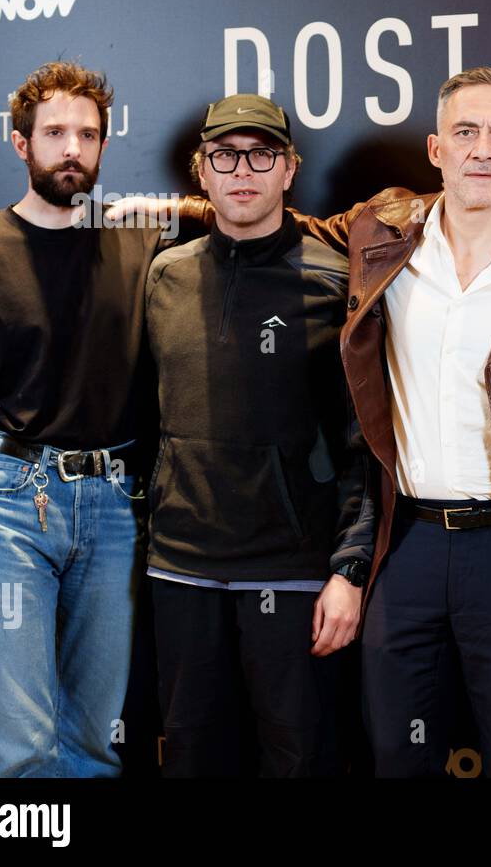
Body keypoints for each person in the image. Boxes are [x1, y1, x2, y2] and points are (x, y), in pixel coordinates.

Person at [159, 68, 491, 776]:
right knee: (395, 751)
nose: (483, 149)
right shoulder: (380, 232)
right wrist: (155, 208)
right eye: (466, 132)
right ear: (435, 149)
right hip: (406, 541)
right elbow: (268, 216)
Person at [0, 61, 204, 777]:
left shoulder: (140, 242)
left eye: (87, 133)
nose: (72, 147)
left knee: (94, 744)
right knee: (22, 750)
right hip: (11, 503)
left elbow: (242, 216)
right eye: (55, 133)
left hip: (115, 505)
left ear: (105, 145)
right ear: (22, 144)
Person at [141, 94, 374, 776]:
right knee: (191, 758)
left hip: (293, 570)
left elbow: (365, 443)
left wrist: (348, 569)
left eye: (261, 154)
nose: (243, 170)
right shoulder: (164, 276)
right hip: (181, 564)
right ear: (202, 172)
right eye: (225, 155)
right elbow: (130, 407)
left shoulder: (334, 284)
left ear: (289, 168)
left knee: (299, 760)